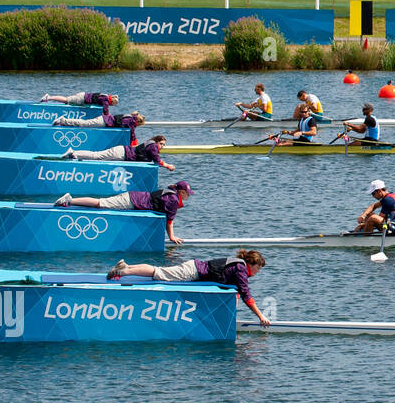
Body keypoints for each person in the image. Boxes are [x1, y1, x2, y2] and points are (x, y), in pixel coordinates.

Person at [108, 248, 270, 327]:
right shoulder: (241, 269)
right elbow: (246, 296)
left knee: (159, 271)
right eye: (258, 268)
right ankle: (123, 271)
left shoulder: (239, 266)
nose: (258, 272)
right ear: (251, 264)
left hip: (195, 269)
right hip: (192, 272)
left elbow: (235, 291)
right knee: (158, 273)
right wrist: (261, 317)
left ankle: (126, 266)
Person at [54, 180, 193, 244]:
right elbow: (169, 222)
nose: (189, 196)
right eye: (188, 193)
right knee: (100, 203)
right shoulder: (174, 200)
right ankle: (70, 200)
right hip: (131, 201)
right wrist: (172, 237)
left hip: (133, 197)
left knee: (101, 203)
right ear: (181, 192)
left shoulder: (171, 192)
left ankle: (70, 200)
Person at [62, 134, 175, 172]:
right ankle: (73, 151)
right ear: (156, 142)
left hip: (122, 153)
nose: (162, 146)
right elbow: (157, 160)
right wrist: (168, 166)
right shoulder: (153, 146)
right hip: (121, 153)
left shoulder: (151, 145)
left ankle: (74, 154)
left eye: (164, 145)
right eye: (161, 143)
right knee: (97, 156)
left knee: (97, 156)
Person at [52, 110, 144, 130]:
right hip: (103, 122)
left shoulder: (129, 116)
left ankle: (63, 124)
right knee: (84, 124)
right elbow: (132, 134)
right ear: (138, 122)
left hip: (104, 119)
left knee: (84, 123)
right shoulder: (130, 121)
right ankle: (63, 120)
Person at [41, 91, 118, 109]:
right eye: (112, 105)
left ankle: (49, 97)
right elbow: (106, 113)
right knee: (66, 100)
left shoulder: (105, 95)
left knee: (67, 102)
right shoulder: (105, 101)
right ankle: (49, 97)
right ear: (111, 102)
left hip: (83, 94)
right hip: (82, 99)